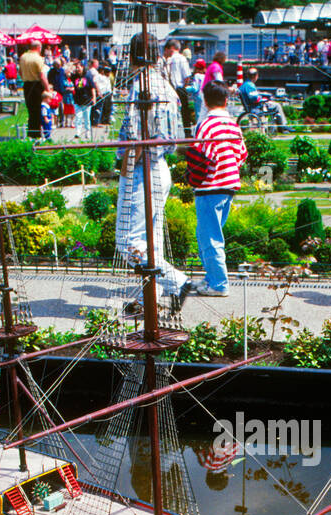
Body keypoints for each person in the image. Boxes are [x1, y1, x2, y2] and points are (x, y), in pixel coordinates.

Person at [116, 31, 193, 315]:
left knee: (128, 240)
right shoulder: (168, 86)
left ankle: (176, 282)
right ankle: (150, 295)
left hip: (141, 168)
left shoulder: (142, 86)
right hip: (162, 166)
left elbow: (135, 134)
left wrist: (125, 163)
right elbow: (177, 135)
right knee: (152, 238)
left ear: (133, 56)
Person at [190, 81, 247, 298]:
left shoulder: (205, 125)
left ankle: (218, 283)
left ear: (205, 100)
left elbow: (200, 156)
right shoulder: (233, 124)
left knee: (209, 237)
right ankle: (211, 277)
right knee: (212, 233)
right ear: (226, 100)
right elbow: (241, 153)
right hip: (229, 185)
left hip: (210, 186)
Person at [19, 41, 49, 139]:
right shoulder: (38, 58)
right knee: (38, 110)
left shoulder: (23, 57)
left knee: (31, 111)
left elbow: (20, 72)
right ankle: (38, 135)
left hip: (26, 85)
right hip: (36, 85)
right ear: (38, 47)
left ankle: (31, 133)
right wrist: (47, 89)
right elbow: (42, 76)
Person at [164, 39, 193, 134]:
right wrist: (184, 85)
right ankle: (187, 132)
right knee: (185, 111)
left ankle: (171, 132)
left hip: (169, 88)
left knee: (171, 110)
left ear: (171, 48)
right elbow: (187, 76)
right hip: (180, 88)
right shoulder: (182, 58)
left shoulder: (167, 60)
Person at [70, 62, 93, 139]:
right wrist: (72, 68)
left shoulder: (88, 76)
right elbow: (67, 73)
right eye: (76, 68)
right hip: (77, 100)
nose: (77, 69)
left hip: (86, 100)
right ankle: (78, 132)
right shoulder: (74, 77)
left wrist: (94, 97)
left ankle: (87, 132)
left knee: (87, 118)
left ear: (82, 67)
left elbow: (92, 87)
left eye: (78, 67)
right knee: (78, 116)